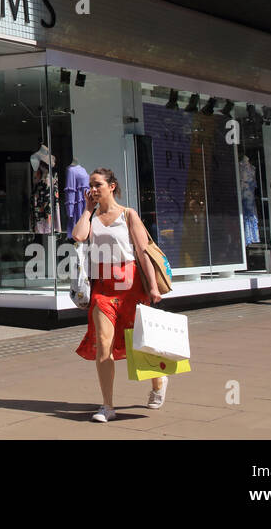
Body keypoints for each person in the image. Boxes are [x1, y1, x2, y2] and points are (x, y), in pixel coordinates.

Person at [71, 167, 165, 422]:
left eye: (98, 184)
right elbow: (78, 236)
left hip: (131, 289)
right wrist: (87, 210)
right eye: (90, 185)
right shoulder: (91, 217)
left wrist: (153, 287)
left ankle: (158, 382)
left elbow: (143, 253)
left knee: (142, 343)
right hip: (102, 290)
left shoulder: (128, 214)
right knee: (103, 344)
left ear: (111, 186)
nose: (93, 189)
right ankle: (107, 406)